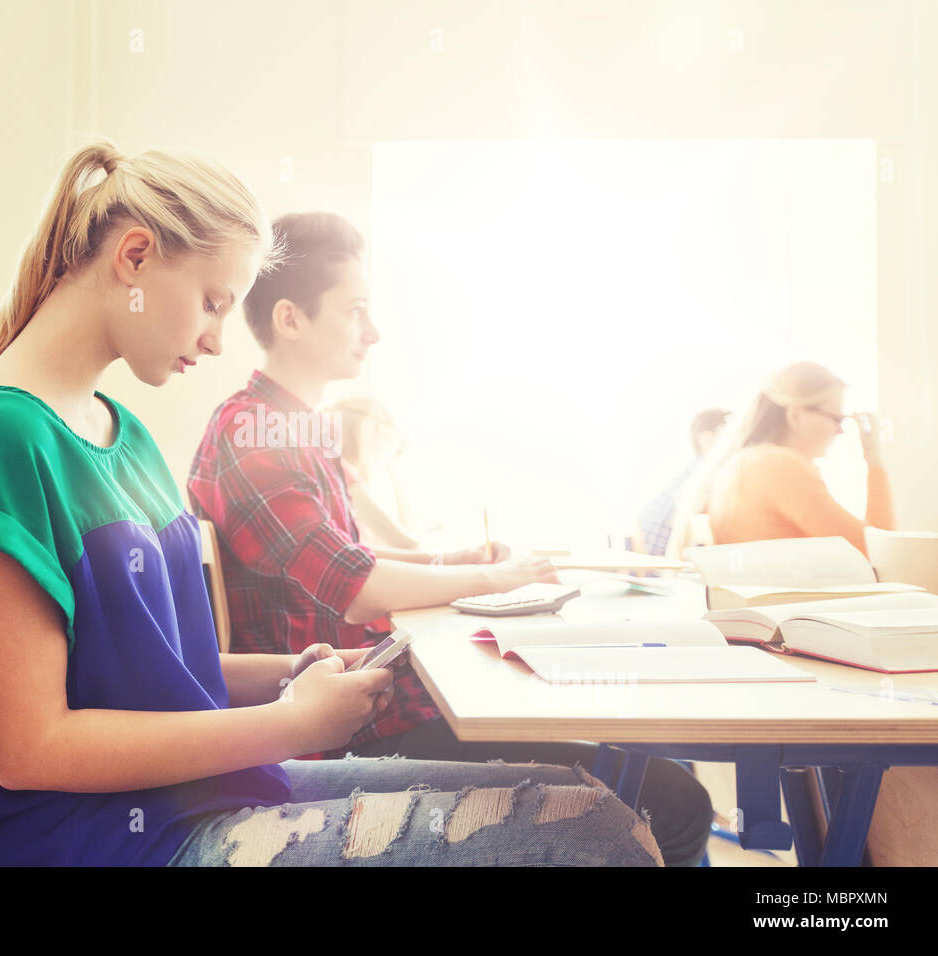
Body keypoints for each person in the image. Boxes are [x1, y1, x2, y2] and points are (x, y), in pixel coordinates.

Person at [0, 142, 660, 867]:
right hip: (118, 844)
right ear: (133, 257)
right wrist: (286, 724)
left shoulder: (121, 432)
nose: (216, 336)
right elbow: (30, 745)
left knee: (584, 800)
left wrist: (291, 675)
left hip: (191, 803)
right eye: (211, 302)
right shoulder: (0, 440)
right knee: (599, 840)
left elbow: (168, 672)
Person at [188, 212, 710, 866]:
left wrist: (449, 560)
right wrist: (496, 579)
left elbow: (347, 557)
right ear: (291, 319)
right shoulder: (256, 436)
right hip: (349, 731)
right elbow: (356, 589)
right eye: (355, 312)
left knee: (644, 758)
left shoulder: (291, 429)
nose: (372, 334)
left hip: (375, 700)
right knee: (672, 800)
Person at [671, 361, 893, 557]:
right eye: (836, 418)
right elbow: (880, 553)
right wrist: (874, 461)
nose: (840, 431)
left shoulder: (738, 464)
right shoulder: (779, 466)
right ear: (795, 415)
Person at [325, 396, 423, 550]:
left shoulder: (343, 471)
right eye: (392, 440)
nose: (392, 451)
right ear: (374, 430)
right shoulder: (344, 474)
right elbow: (407, 543)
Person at [637, 408, 729, 556]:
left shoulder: (690, 471)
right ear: (706, 439)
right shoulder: (705, 475)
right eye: (726, 433)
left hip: (643, 554)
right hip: (656, 563)